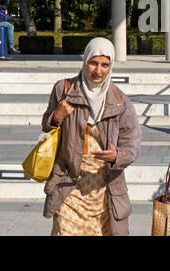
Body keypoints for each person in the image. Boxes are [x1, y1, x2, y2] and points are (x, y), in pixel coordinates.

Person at [41, 36, 142, 235]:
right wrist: (57, 116)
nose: (98, 71)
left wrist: (117, 157)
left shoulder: (120, 101)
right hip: (69, 184)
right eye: (93, 63)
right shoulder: (64, 89)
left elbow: (132, 143)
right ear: (85, 61)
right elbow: (46, 126)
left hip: (103, 187)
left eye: (105, 65)